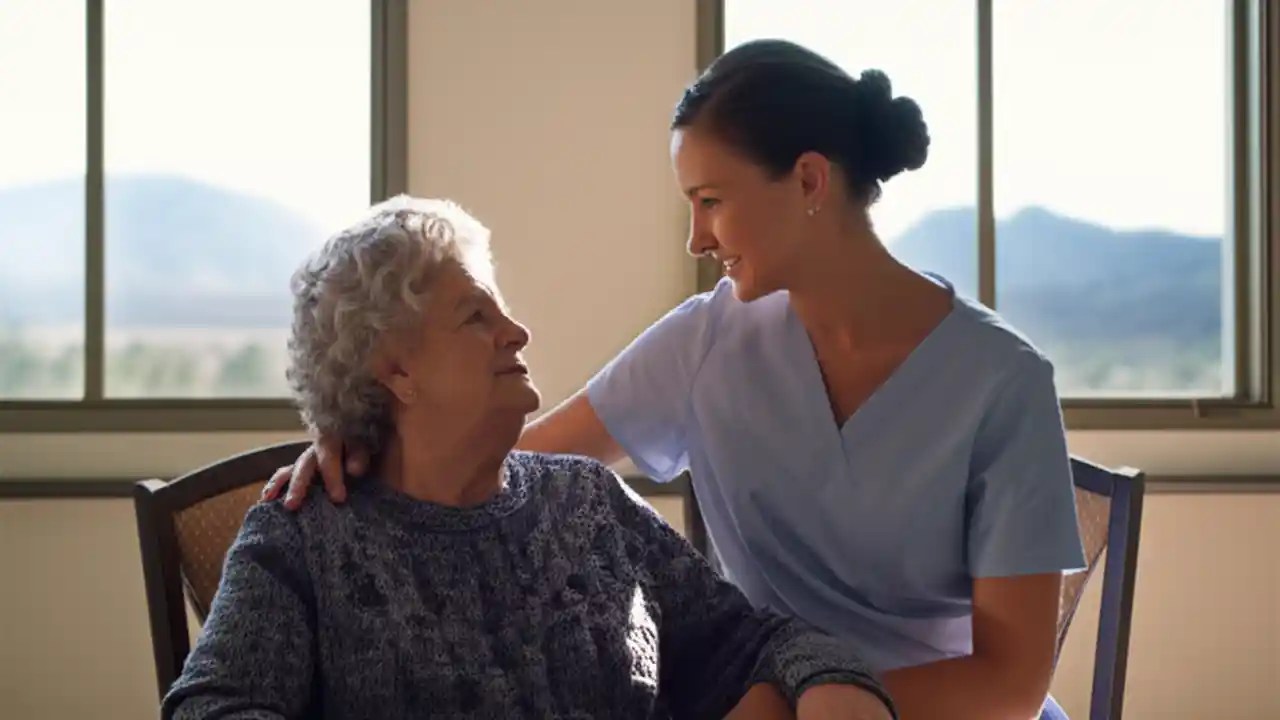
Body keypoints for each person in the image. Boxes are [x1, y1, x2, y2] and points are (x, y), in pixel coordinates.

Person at [265, 40, 1084, 720]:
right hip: (769, 694)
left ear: (807, 182)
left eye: (711, 201)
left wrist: (805, 701)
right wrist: (363, 441)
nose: (696, 237)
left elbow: (1011, 683)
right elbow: (492, 466)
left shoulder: (1001, 382)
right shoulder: (708, 342)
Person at [165, 196, 895, 720]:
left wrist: (833, 681)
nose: (517, 331)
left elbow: (748, 642)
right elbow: (214, 705)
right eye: (475, 317)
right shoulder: (303, 534)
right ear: (396, 373)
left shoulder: (588, 503)